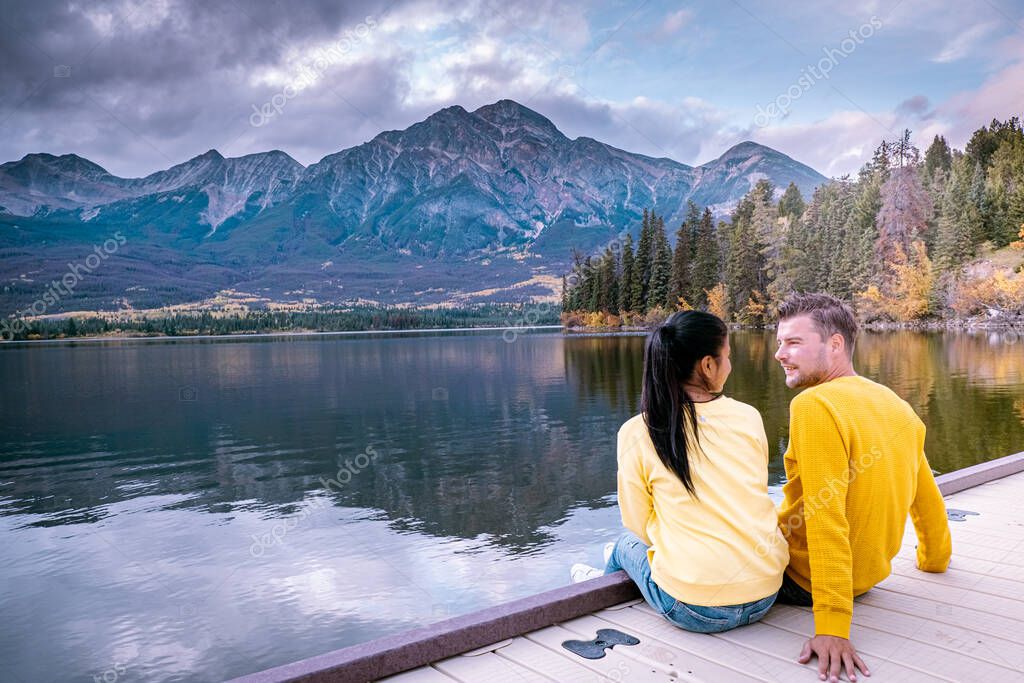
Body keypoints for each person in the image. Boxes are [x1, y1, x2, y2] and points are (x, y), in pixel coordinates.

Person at [572, 310, 789, 633]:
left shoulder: (638, 431)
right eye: (727, 356)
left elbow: (636, 522)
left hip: (694, 608)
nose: (730, 364)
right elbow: (752, 492)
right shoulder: (748, 417)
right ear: (707, 365)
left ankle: (601, 587)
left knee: (623, 545)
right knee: (642, 546)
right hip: (765, 591)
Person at [773, 293, 952, 683]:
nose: (779, 354)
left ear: (834, 344)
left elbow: (825, 518)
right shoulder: (897, 406)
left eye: (793, 343)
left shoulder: (814, 404)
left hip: (804, 580)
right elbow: (926, 497)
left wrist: (832, 627)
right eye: (779, 343)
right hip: (868, 577)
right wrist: (934, 558)